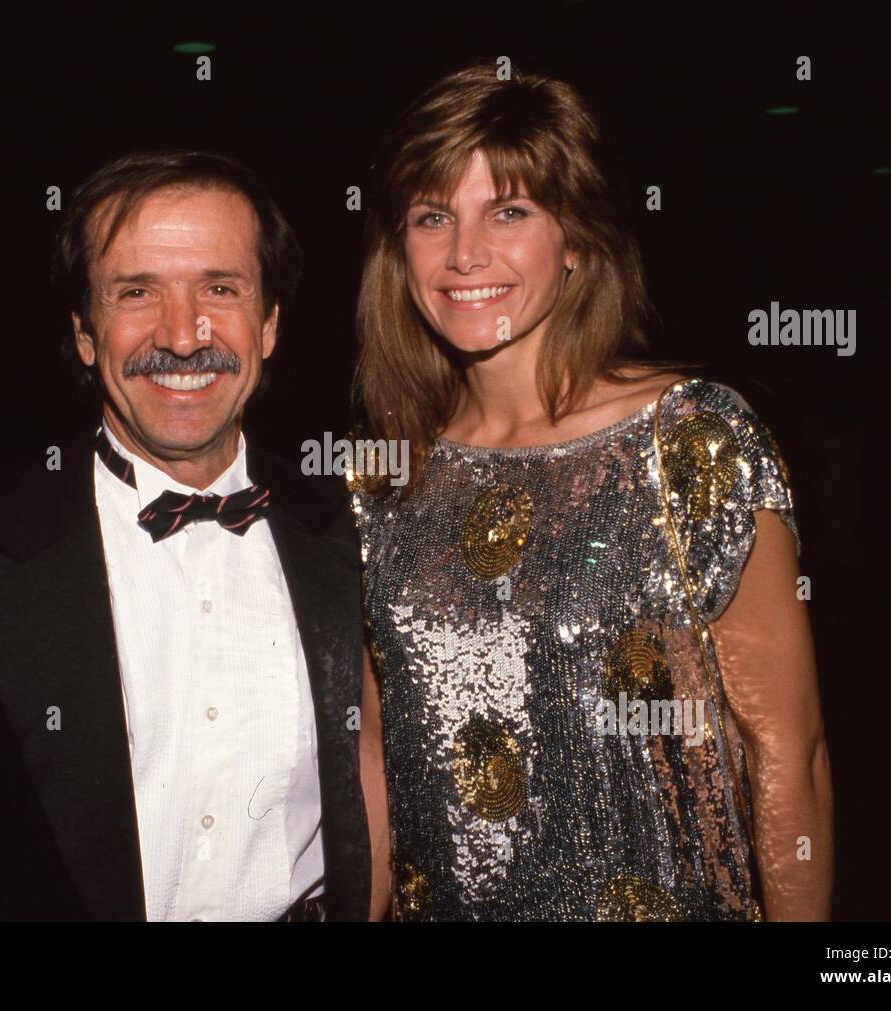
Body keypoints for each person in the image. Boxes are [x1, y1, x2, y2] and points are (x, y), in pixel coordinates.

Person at [0, 149, 371, 921]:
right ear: (85, 333)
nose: (183, 336)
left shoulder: (355, 534)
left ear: (271, 323)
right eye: (136, 292)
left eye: (220, 287)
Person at [350, 65, 833, 921]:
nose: (465, 254)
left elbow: (786, 752)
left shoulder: (692, 440)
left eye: (509, 211)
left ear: (575, 237)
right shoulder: (382, 480)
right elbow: (379, 763)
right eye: (433, 217)